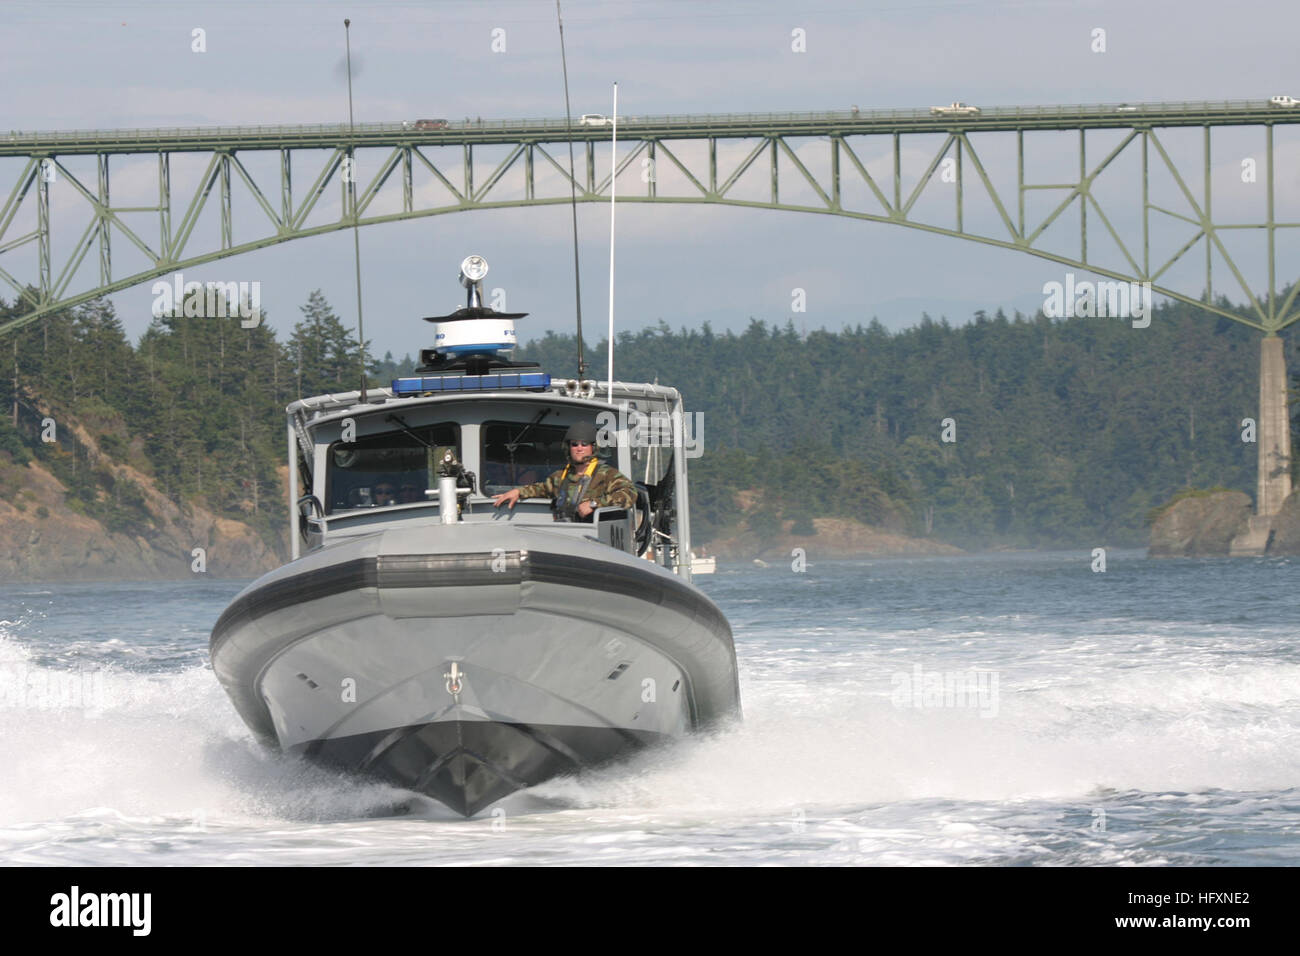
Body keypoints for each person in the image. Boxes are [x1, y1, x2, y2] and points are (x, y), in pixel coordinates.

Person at [492, 421, 635, 520]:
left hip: (594, 537)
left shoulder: (606, 475)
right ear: (569, 448)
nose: (579, 448)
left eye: (584, 444)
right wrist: (518, 492)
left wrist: (595, 504)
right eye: (574, 444)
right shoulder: (560, 477)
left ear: (593, 448)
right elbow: (541, 489)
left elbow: (629, 493)